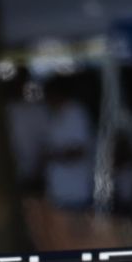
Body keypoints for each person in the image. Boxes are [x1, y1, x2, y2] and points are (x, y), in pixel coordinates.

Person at [42, 79, 95, 211]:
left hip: (76, 193)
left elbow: (80, 150)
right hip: (57, 192)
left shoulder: (76, 113)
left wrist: (53, 155)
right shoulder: (52, 115)